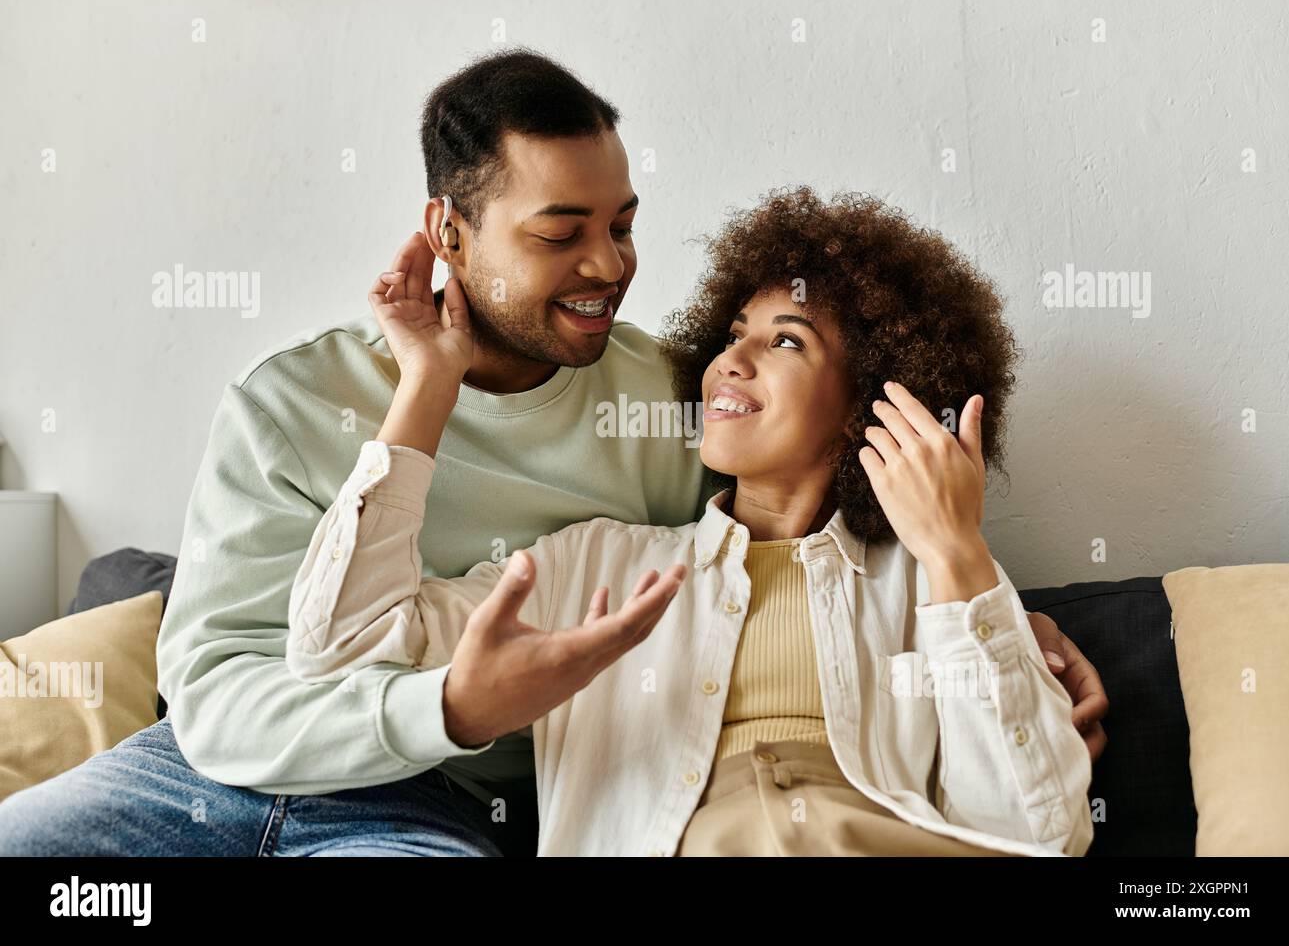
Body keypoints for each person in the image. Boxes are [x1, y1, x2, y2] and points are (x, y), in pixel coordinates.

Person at [0, 50, 1104, 857]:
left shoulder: (668, 408)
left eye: (621, 223)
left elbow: (807, 531)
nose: (609, 264)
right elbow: (238, 693)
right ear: (448, 235)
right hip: (210, 775)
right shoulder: (293, 402)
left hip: (424, 812)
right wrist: (424, 401)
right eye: (560, 231)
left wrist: (993, 602)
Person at [285, 186, 1095, 857]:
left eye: (787, 342)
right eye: (735, 333)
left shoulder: (938, 588)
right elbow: (342, 642)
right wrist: (429, 382)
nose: (730, 361)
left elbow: (1039, 834)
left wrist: (958, 557)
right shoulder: (594, 566)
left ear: (869, 407)